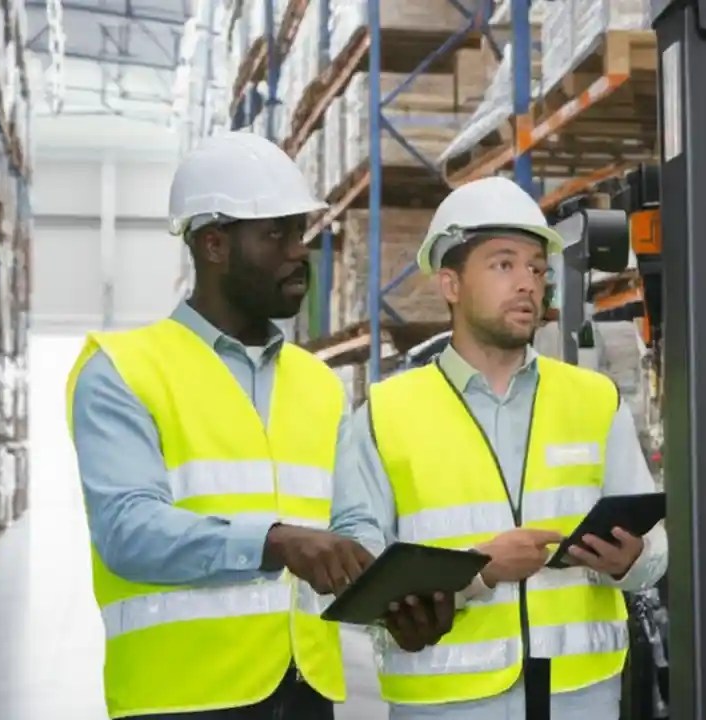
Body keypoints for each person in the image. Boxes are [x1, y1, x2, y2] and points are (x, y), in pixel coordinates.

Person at [64, 130, 453, 720]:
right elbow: (128, 530)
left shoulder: (317, 382)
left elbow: (351, 525)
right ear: (214, 245)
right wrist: (275, 542)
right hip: (180, 697)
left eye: (300, 233)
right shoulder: (122, 370)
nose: (300, 251)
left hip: (305, 692)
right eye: (276, 234)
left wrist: (389, 600)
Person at [345, 176, 669, 719]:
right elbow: (356, 577)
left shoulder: (594, 399)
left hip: (579, 698)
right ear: (450, 284)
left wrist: (632, 559)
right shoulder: (384, 414)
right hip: (445, 704)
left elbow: (654, 548)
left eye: (537, 269)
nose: (528, 283)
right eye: (504, 265)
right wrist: (478, 570)